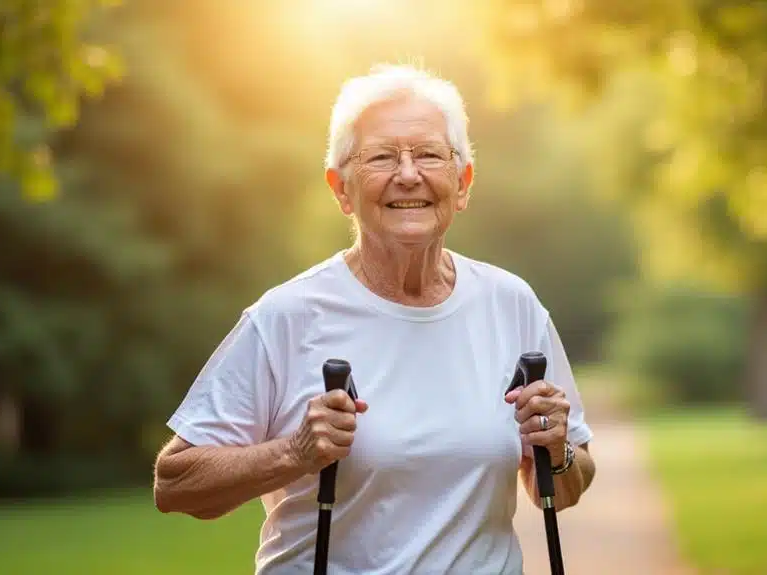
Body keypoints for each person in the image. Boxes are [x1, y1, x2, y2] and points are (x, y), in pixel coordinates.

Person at [152, 63, 597, 574]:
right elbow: (176, 483)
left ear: (463, 181)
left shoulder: (511, 304)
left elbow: (565, 487)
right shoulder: (289, 316)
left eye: (429, 154)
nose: (408, 174)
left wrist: (557, 449)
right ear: (341, 188)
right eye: (381, 156)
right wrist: (294, 453)